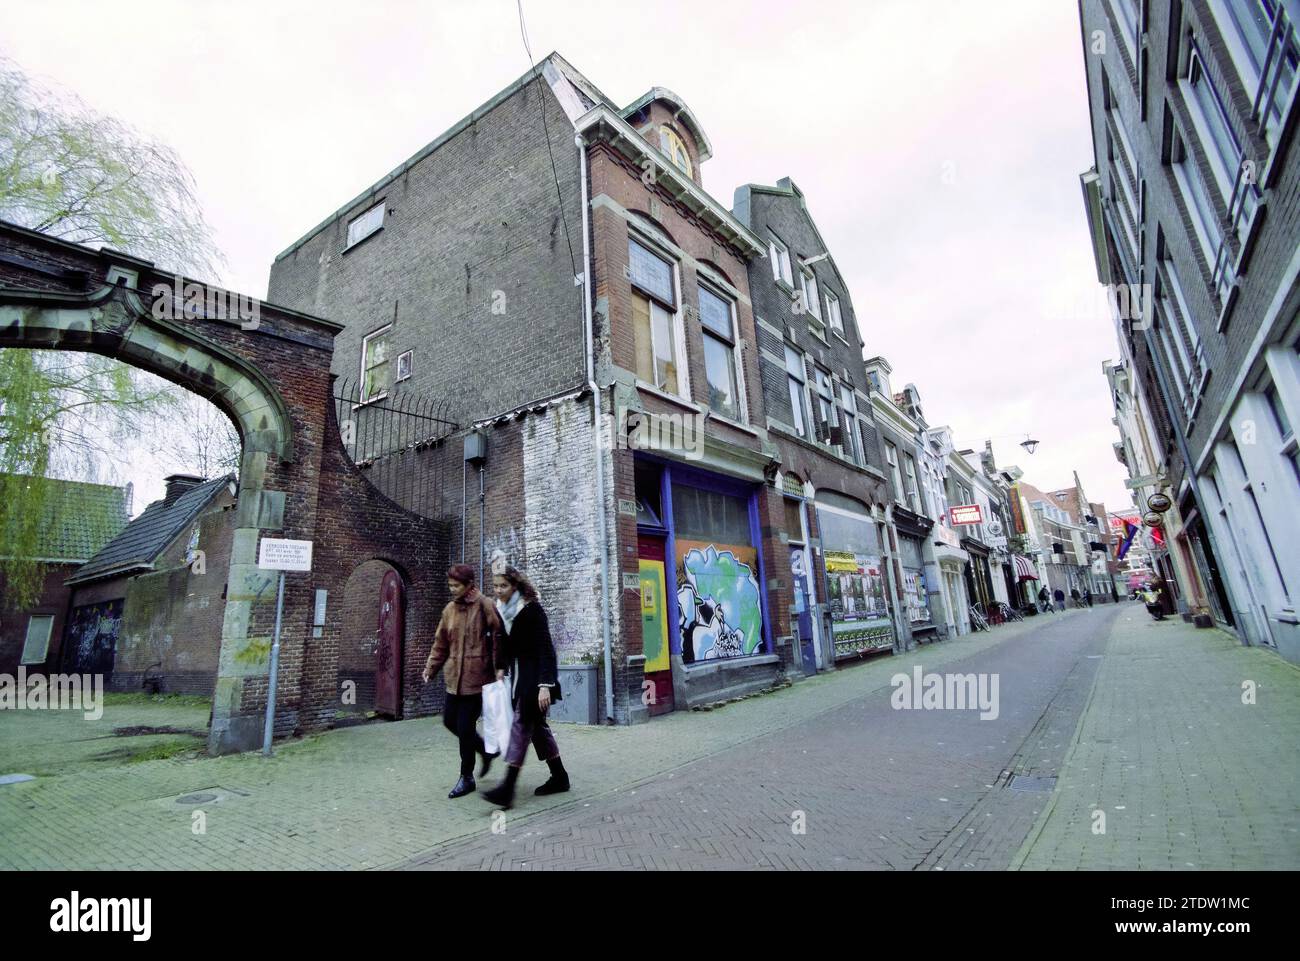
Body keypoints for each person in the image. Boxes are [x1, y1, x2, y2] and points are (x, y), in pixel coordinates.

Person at [482, 566, 569, 809]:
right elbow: (505, 645)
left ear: (516, 586)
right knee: (538, 729)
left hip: (534, 679)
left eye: (504, 586)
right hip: (517, 678)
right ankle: (560, 777)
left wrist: (545, 685)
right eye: (496, 586)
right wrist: (500, 667)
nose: (499, 591)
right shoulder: (502, 611)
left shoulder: (532, 609)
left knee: (520, 727)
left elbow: (546, 648)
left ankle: (507, 789)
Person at [422, 564, 503, 799]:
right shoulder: (449, 610)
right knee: (449, 721)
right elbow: (441, 643)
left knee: (466, 727)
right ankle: (486, 752)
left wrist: (500, 667)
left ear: (469, 585)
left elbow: (499, 637)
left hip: (477, 678)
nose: (452, 590)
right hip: (453, 679)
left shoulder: (484, 605)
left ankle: (466, 778)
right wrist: (431, 668)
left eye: (456, 586)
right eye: (450, 585)